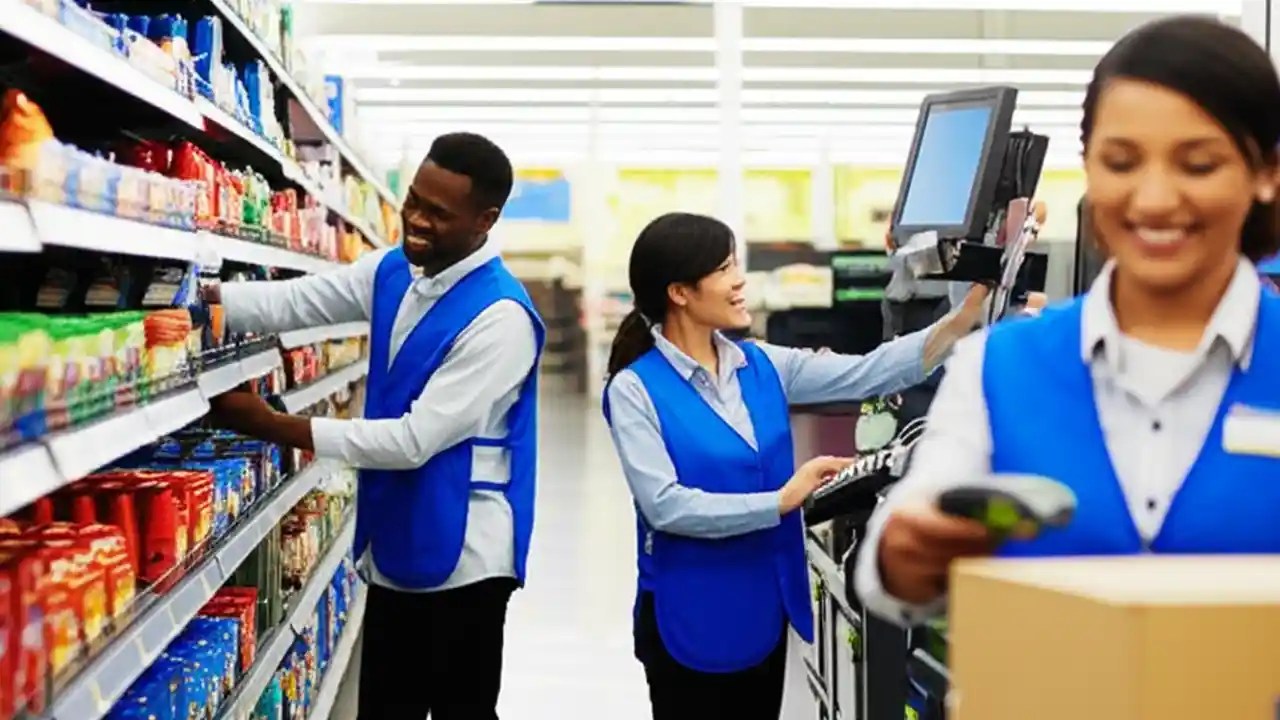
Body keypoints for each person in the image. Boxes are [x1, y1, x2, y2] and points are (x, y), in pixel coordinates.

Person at [855, 14, 1280, 626]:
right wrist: (906, 554)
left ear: (1265, 173)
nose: (1155, 198)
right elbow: (889, 573)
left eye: (1198, 165)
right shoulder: (999, 365)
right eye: (1122, 161)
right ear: (1088, 165)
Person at [203, 132, 543, 719]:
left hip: (465, 555)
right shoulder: (395, 271)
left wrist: (276, 426)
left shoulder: (501, 318)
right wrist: (202, 298)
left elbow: (413, 441)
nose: (415, 220)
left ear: (485, 220)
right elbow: (300, 303)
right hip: (395, 536)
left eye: (438, 213)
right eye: (414, 200)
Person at [602, 211, 989, 719]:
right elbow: (666, 506)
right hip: (690, 611)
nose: (739, 280)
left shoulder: (759, 364)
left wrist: (958, 325)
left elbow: (865, 373)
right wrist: (783, 500)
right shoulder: (635, 389)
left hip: (763, 605)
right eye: (723, 269)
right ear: (680, 292)